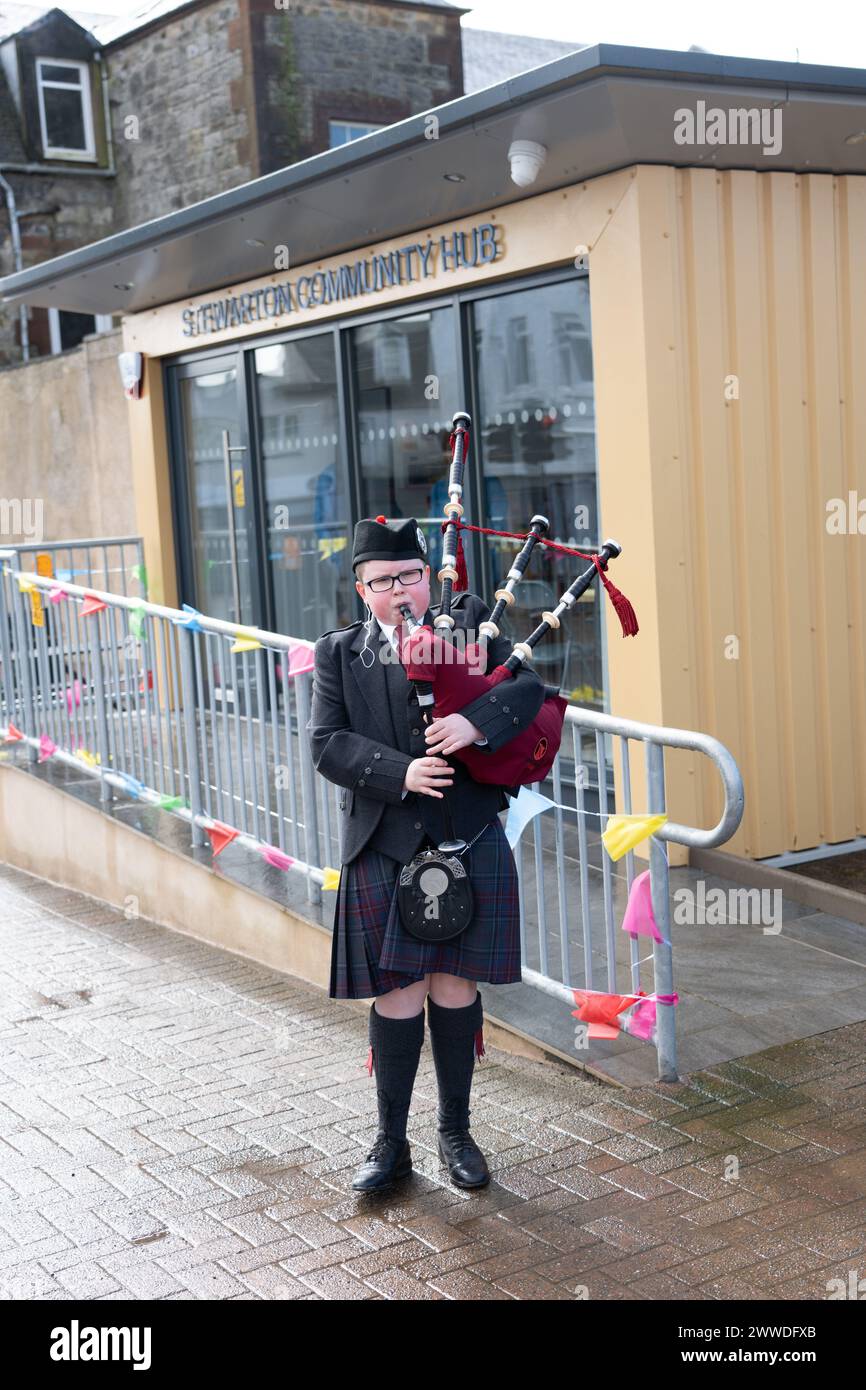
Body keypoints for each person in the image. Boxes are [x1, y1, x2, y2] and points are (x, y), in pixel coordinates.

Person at [306, 515, 545, 1194]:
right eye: (382, 581)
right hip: (386, 840)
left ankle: (456, 1133)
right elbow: (327, 743)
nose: (399, 589)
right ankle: (390, 1143)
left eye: (409, 574)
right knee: (397, 992)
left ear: (424, 575)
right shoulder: (338, 653)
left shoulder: (467, 620)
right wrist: (398, 772)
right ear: (362, 589)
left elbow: (530, 690)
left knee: (454, 987)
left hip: (465, 833)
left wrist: (477, 722)